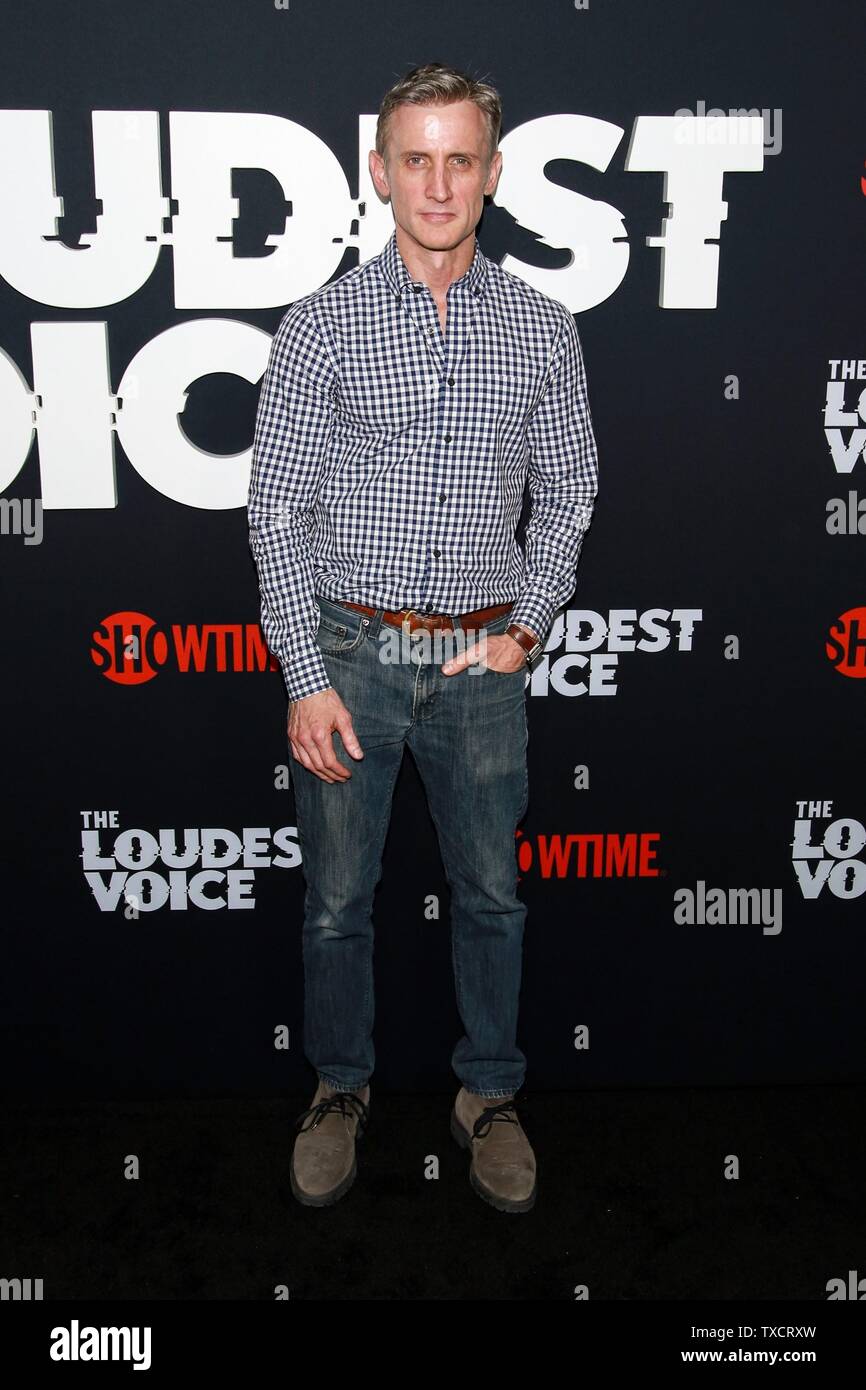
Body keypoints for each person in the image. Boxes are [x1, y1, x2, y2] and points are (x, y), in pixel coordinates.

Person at [247, 61, 598, 1213]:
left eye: (460, 159)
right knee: (339, 898)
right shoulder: (319, 326)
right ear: (381, 170)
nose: (437, 182)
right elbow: (277, 509)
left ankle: (486, 1092)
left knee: (491, 891)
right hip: (349, 650)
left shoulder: (543, 329)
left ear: (492, 173)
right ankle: (339, 1086)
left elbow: (572, 487)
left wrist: (528, 626)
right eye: (416, 158)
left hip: (481, 661)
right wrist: (304, 675)